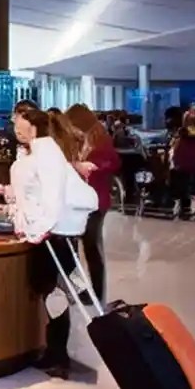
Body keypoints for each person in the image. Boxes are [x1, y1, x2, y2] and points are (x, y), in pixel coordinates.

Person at [10, 106, 96, 379]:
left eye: (19, 123)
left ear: (31, 126)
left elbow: (51, 196)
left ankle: (58, 355)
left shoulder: (45, 153)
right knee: (53, 291)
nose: (15, 128)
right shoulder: (40, 151)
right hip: (55, 233)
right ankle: (55, 352)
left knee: (55, 292)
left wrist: (39, 227)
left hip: (54, 235)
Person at [66, 104, 121, 301]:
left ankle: (96, 293)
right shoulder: (81, 140)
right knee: (78, 247)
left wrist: (93, 167)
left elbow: (113, 163)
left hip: (96, 202)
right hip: (81, 200)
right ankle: (81, 290)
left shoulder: (100, 140)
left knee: (91, 247)